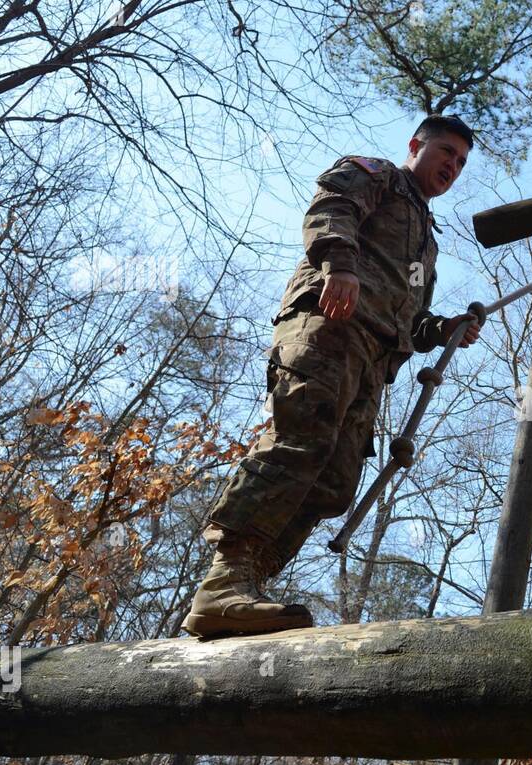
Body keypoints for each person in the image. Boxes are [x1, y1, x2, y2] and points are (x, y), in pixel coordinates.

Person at [183, 114, 481, 639]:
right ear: (416, 145)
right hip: (330, 326)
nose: (451, 167)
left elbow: (408, 314)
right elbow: (332, 206)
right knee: (300, 442)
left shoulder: (426, 245)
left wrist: (443, 329)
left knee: (336, 481)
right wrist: (339, 264)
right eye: (445, 153)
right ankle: (224, 579)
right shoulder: (379, 176)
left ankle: (246, 587)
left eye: (460, 163)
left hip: (371, 360)